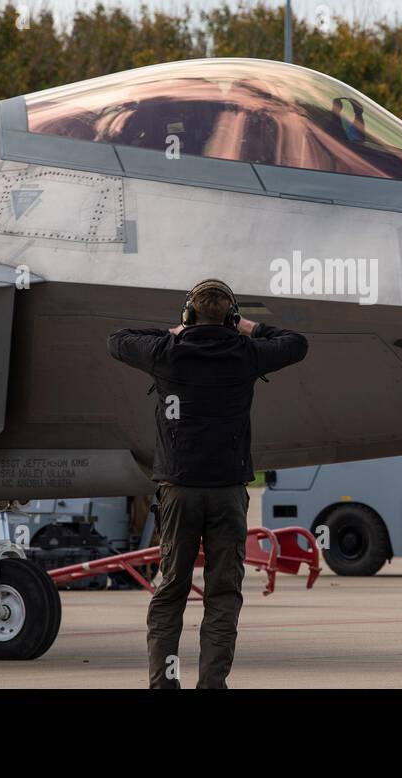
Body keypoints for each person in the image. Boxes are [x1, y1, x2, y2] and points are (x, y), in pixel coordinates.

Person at [107, 278, 308, 689]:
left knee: (171, 591)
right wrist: (247, 327)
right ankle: (212, 685)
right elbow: (296, 343)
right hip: (228, 491)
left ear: (188, 313)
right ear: (231, 316)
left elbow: (118, 340)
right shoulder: (245, 352)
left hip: (179, 489)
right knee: (223, 594)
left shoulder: (167, 352)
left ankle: (164, 684)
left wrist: (177, 331)